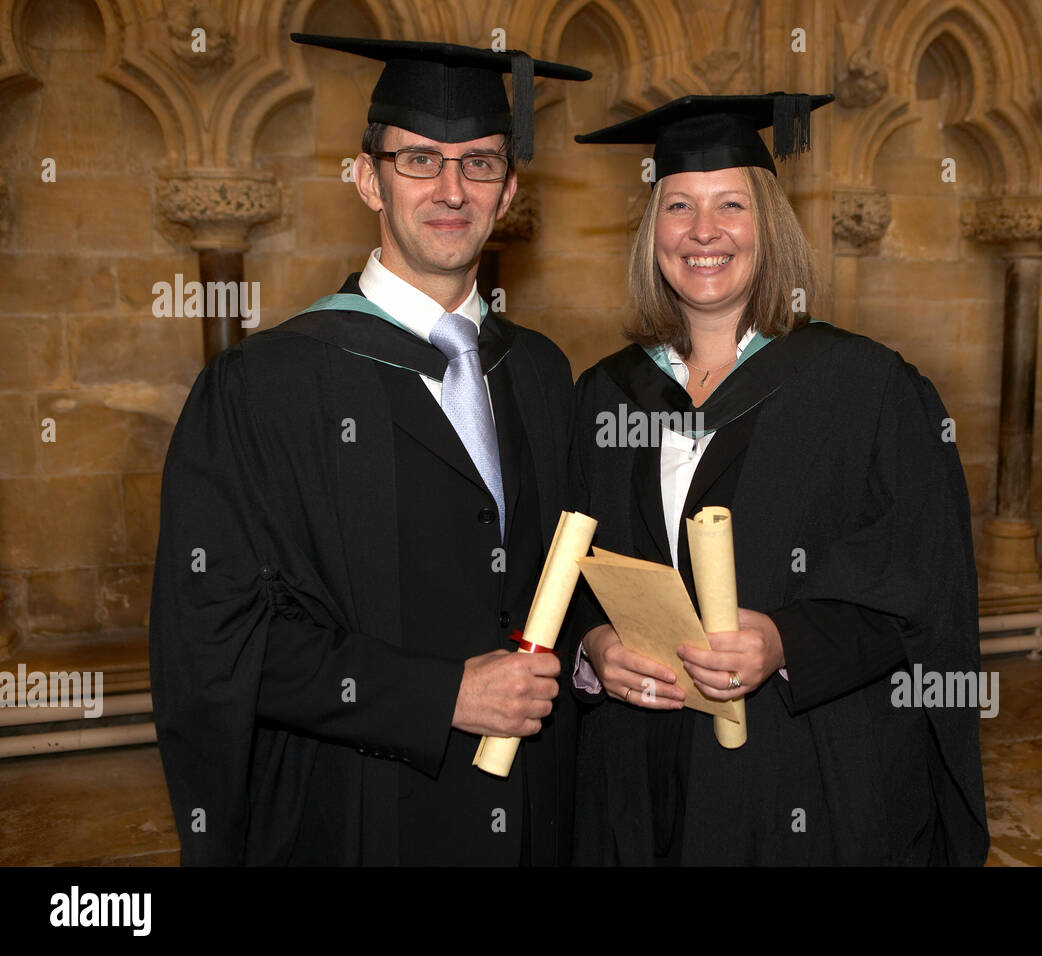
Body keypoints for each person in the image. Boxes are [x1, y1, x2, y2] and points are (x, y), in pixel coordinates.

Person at [149, 34, 591, 865]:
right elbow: (213, 638)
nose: (452, 189)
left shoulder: (538, 372)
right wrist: (442, 694)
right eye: (420, 159)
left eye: (482, 163)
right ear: (367, 178)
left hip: (531, 811)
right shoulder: (265, 387)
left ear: (511, 190)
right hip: (356, 812)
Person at [565, 94, 988, 864]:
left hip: (800, 765)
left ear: (770, 225)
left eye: (732, 204)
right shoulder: (606, 393)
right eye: (678, 206)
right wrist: (591, 645)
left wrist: (786, 640)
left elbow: (927, 584)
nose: (703, 231)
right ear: (651, 231)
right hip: (636, 759)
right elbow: (560, 567)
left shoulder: (863, 387)